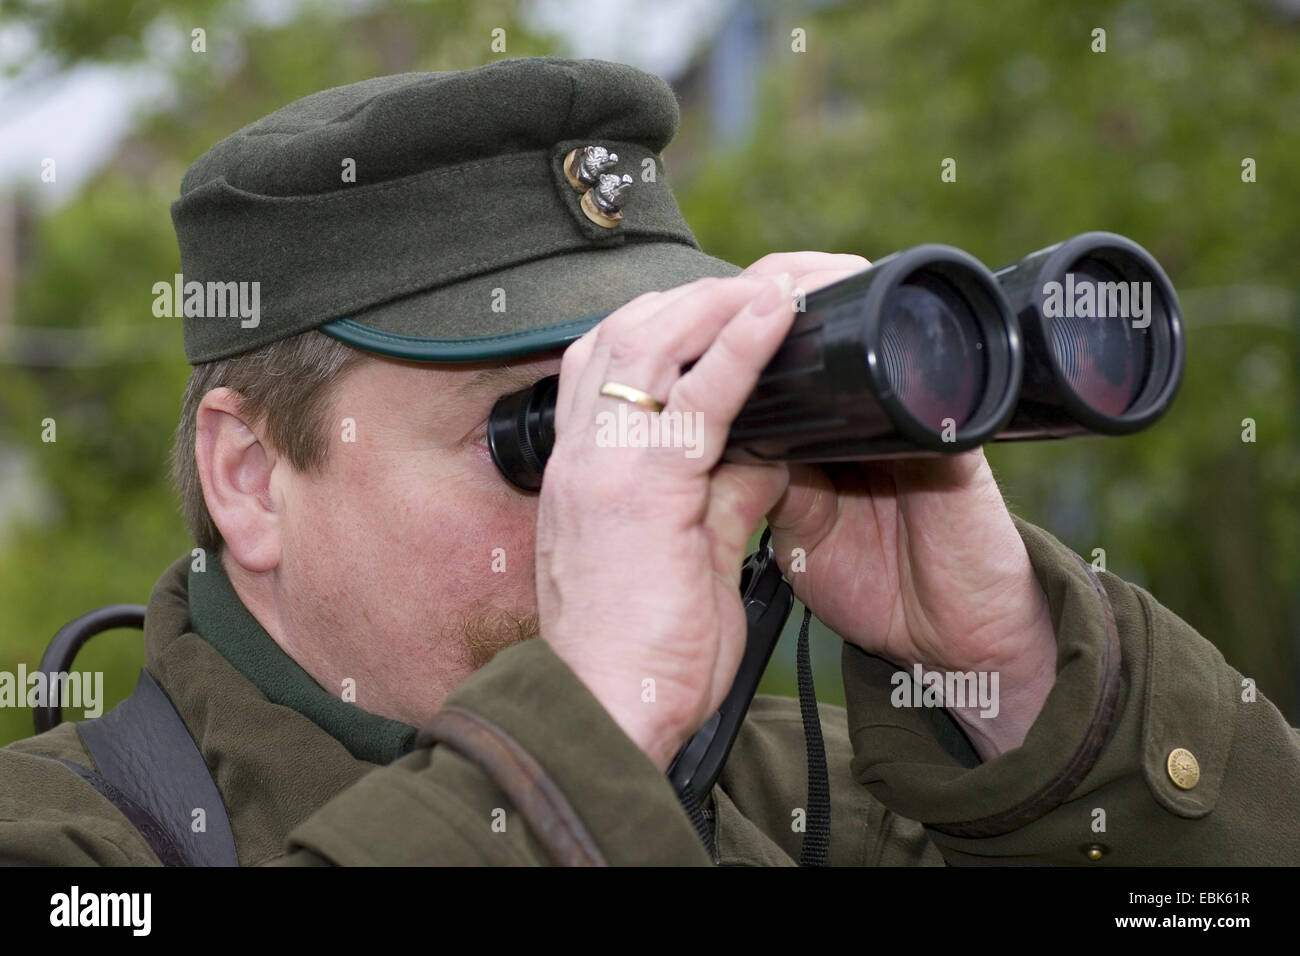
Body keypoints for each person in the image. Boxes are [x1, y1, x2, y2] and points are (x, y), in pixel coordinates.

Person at [1, 57, 1296, 866]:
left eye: (662, 410)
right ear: (249, 475)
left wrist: (1015, 680)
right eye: (540, 434)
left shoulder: (823, 798)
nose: (615, 497)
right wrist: (586, 741)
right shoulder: (71, 845)